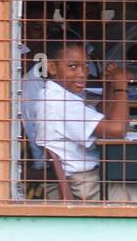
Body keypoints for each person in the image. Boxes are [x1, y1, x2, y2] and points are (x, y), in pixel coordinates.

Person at [22, 39, 130, 200]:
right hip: (88, 186)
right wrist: (122, 86)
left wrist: (109, 85)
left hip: (90, 179)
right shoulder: (60, 102)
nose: (82, 73)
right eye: (73, 66)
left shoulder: (56, 95)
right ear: (52, 67)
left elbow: (101, 118)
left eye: (86, 66)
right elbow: (117, 129)